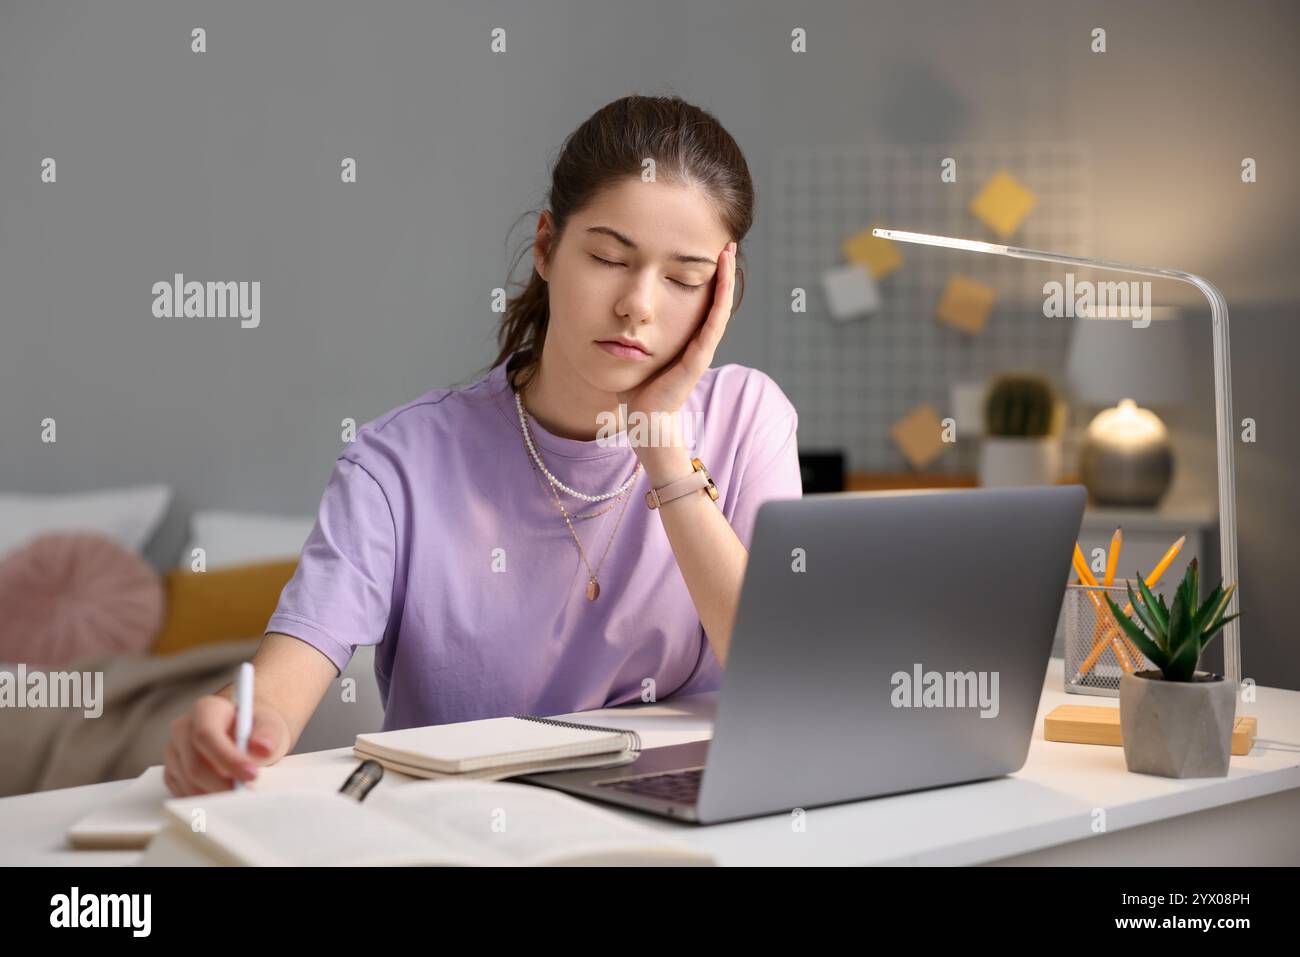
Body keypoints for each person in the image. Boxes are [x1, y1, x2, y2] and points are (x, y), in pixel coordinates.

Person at [163, 94, 801, 797]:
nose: (639, 305)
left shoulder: (749, 416)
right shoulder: (398, 464)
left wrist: (663, 450)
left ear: (720, 294)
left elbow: (780, 676)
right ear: (547, 247)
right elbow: (286, 678)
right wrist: (231, 725)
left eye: (684, 278)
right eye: (609, 257)